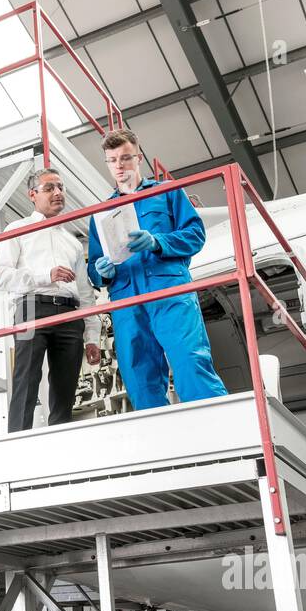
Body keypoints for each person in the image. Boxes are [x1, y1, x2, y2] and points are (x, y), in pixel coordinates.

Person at [87, 130, 226, 409]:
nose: (119, 166)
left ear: (139, 158)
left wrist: (157, 241)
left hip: (170, 292)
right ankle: (160, 443)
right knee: (139, 376)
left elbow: (195, 234)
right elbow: (93, 267)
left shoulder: (167, 193)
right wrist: (102, 271)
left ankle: (222, 439)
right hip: (127, 302)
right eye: (112, 160)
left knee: (190, 361)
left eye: (125, 158)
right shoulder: (101, 214)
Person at [0, 168, 101, 432]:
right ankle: (18, 445)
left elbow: (86, 293)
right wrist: (45, 276)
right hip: (31, 307)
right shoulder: (17, 229)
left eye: (61, 187)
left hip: (69, 315)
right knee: (26, 381)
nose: (58, 193)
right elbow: (1, 276)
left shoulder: (73, 243)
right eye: (50, 188)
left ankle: (59, 450)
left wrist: (92, 337)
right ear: (32, 195)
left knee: (66, 389)